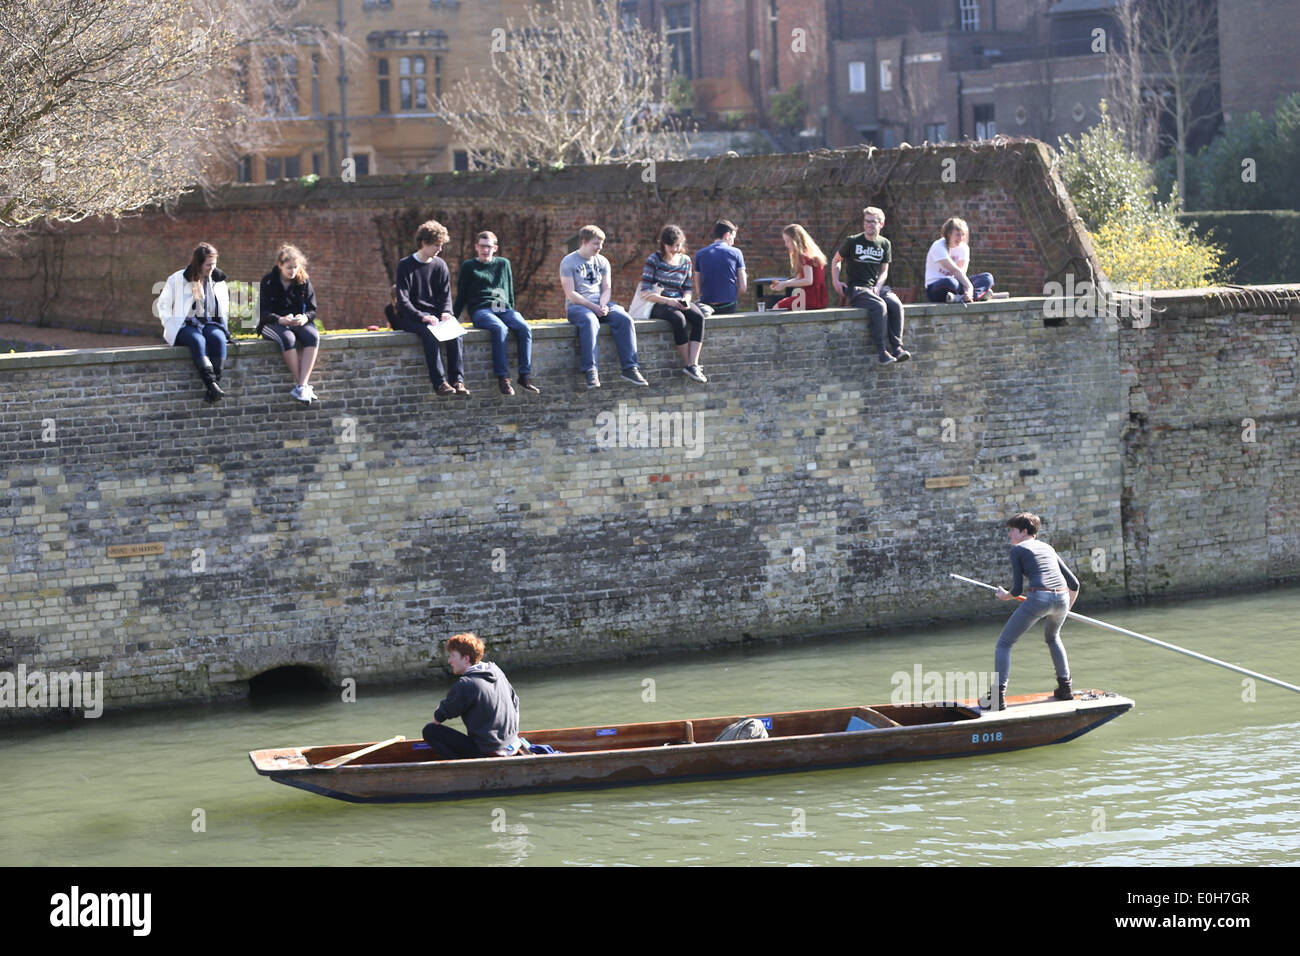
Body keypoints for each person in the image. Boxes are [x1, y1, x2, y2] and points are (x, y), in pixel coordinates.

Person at [984, 512, 1080, 711]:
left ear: (1024, 531)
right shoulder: (1048, 547)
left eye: (1012, 530)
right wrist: (1065, 609)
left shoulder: (1018, 550)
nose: (1009, 535)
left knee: (1004, 643)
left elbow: (1017, 590)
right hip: (1062, 597)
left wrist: (1005, 595)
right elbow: (1074, 584)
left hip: (1039, 597)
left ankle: (997, 698)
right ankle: (1066, 688)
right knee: (1053, 638)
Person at [561, 224, 648, 389]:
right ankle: (590, 370)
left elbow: (607, 288)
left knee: (624, 319)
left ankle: (630, 368)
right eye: (596, 243)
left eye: (601, 243)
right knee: (590, 321)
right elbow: (570, 293)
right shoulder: (568, 261)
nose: (600, 247)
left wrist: (602, 304)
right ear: (584, 242)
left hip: (601, 303)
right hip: (578, 306)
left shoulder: (602, 261)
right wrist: (593, 307)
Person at [454, 231, 540, 396]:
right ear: (476, 247)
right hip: (481, 309)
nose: (485, 250)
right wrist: (453, 318)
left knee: (523, 327)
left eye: (488, 246)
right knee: (499, 328)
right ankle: (503, 378)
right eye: (482, 246)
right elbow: (462, 295)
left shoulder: (503, 264)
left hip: (503, 308)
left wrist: (512, 311)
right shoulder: (468, 267)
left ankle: (525, 375)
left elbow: (509, 289)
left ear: (495, 248)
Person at [392, 219, 468, 397]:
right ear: (424, 243)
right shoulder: (405, 265)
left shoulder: (440, 265)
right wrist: (421, 317)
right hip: (411, 317)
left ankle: (457, 380)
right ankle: (440, 383)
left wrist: (447, 313)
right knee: (429, 333)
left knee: (456, 333)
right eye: (436, 245)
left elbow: (445, 295)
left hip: (435, 316)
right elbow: (402, 300)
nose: (440, 249)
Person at [831, 206, 910, 365]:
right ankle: (882, 352)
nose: (869, 225)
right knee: (879, 306)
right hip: (858, 288)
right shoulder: (852, 241)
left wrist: (878, 286)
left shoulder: (884, 243)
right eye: (866, 221)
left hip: (876, 287)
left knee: (895, 304)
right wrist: (835, 280)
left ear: (881, 224)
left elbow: (884, 271)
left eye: (873, 222)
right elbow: (836, 261)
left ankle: (897, 348)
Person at [422, 633, 521, 759]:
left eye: (453, 656)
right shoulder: (495, 670)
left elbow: (439, 716)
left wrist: (437, 716)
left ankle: (462, 769)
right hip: (513, 745)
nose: (449, 661)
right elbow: (515, 701)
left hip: (490, 751)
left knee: (430, 731)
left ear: (466, 659)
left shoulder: (466, 684)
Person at [157, 241, 231, 403]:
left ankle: (213, 387)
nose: (212, 268)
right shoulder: (177, 279)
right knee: (198, 340)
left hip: (210, 323)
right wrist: (169, 323)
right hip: (185, 324)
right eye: (208, 265)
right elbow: (163, 304)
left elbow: (223, 308)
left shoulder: (218, 281)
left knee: (218, 339)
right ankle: (212, 384)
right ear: (198, 263)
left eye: (214, 264)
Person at [639, 224, 708, 383]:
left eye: (678, 245)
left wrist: (687, 300)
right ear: (663, 244)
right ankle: (687, 363)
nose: (675, 249)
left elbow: (687, 288)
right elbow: (645, 292)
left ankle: (693, 364)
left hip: (679, 299)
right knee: (679, 320)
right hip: (659, 302)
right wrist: (668, 301)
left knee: (698, 317)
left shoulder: (686, 261)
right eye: (671, 246)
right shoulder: (654, 260)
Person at [258, 243, 321, 404]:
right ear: (280, 265)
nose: (293, 271)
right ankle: (300, 384)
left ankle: (302, 385)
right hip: (272, 323)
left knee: (312, 336)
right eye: (289, 268)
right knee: (288, 339)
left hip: (296, 321)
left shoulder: (303, 281)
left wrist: (305, 318)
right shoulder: (268, 281)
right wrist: (279, 319)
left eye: (295, 267)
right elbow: (263, 312)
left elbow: (313, 309)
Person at [924, 217, 994, 304]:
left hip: (957, 285)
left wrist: (968, 290)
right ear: (949, 234)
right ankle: (978, 295)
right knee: (951, 282)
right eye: (957, 235)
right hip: (936, 288)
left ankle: (963, 297)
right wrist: (969, 287)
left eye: (963, 234)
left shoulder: (964, 247)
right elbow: (955, 271)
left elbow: (962, 273)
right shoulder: (938, 246)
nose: (961, 238)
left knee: (987, 278)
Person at [693, 219, 747, 314]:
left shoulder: (700, 254)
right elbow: (743, 287)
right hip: (729, 305)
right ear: (727, 235)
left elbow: (698, 289)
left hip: (706, 305)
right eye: (733, 237)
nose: (733, 242)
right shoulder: (736, 253)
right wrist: (731, 296)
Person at [771, 224, 828, 311]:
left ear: (795, 240)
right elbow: (799, 278)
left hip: (810, 298)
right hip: (821, 299)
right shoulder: (811, 253)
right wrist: (783, 284)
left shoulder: (804, 256)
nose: (786, 245)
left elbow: (808, 280)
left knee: (777, 307)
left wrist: (786, 284)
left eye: (788, 241)